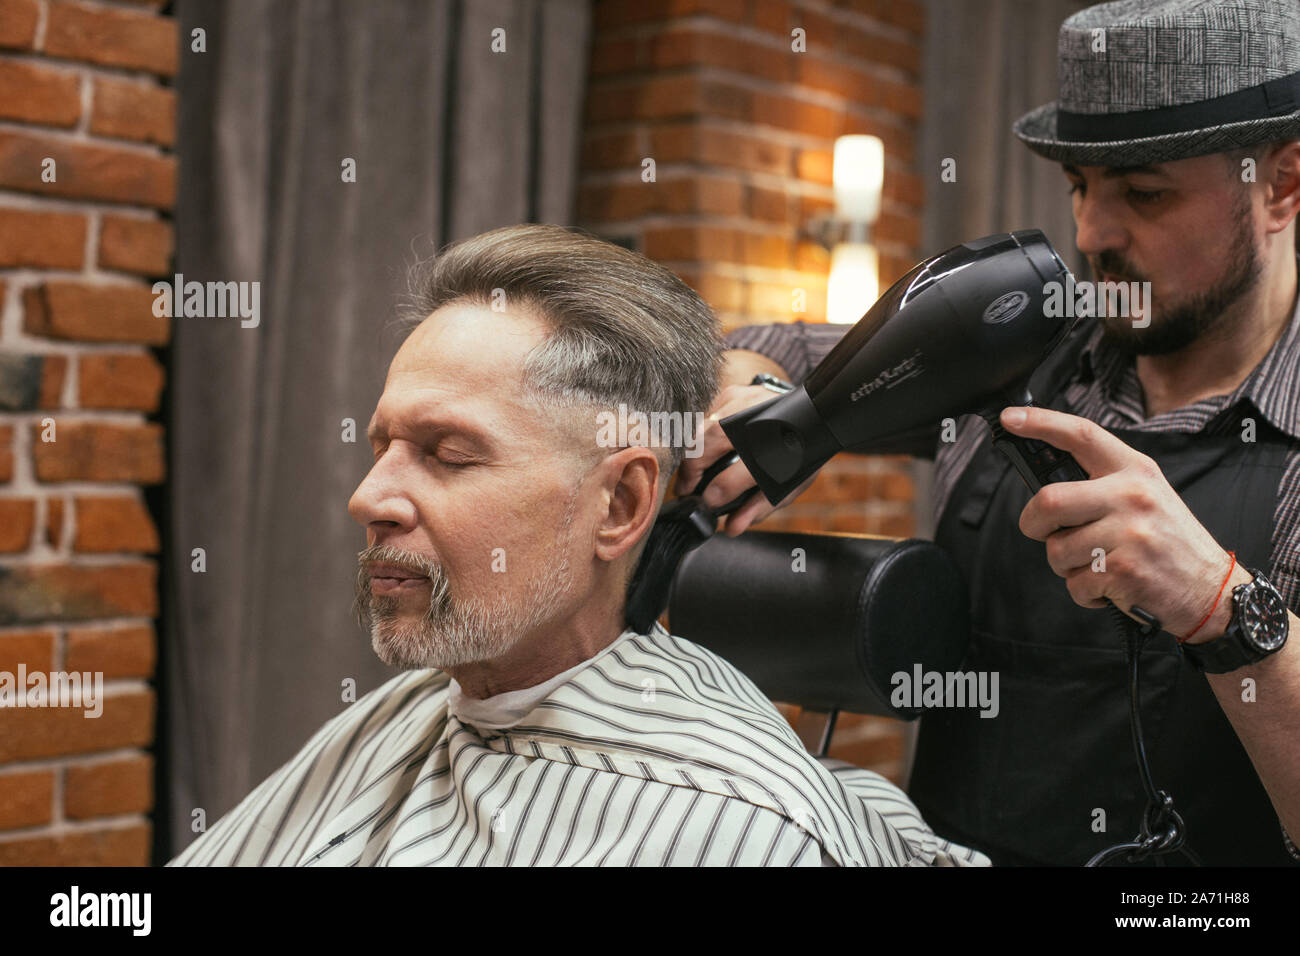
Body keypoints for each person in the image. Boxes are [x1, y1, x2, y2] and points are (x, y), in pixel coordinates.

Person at [684, 0, 1300, 865]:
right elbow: (770, 349)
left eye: (1145, 193)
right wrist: (764, 396)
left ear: (1280, 185)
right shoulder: (1003, 358)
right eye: (1079, 186)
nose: (1091, 234)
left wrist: (1219, 603)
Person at [166, 223, 987, 867]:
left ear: (621, 504)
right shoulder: (412, 712)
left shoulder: (728, 825)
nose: (367, 498)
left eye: (448, 455)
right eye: (380, 447)